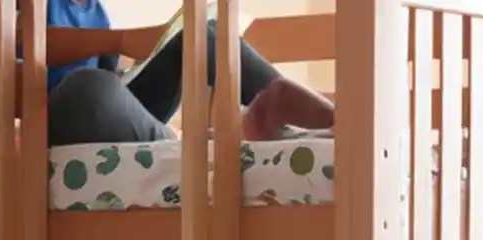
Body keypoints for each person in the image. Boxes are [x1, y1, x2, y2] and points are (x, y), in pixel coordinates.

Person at [36, 0, 334, 146]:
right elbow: (20, 39)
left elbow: (111, 82)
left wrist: (149, 54)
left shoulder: (94, 10)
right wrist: (121, 40)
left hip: (101, 112)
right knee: (88, 88)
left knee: (199, 34)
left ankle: (329, 123)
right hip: (54, 118)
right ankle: (185, 148)